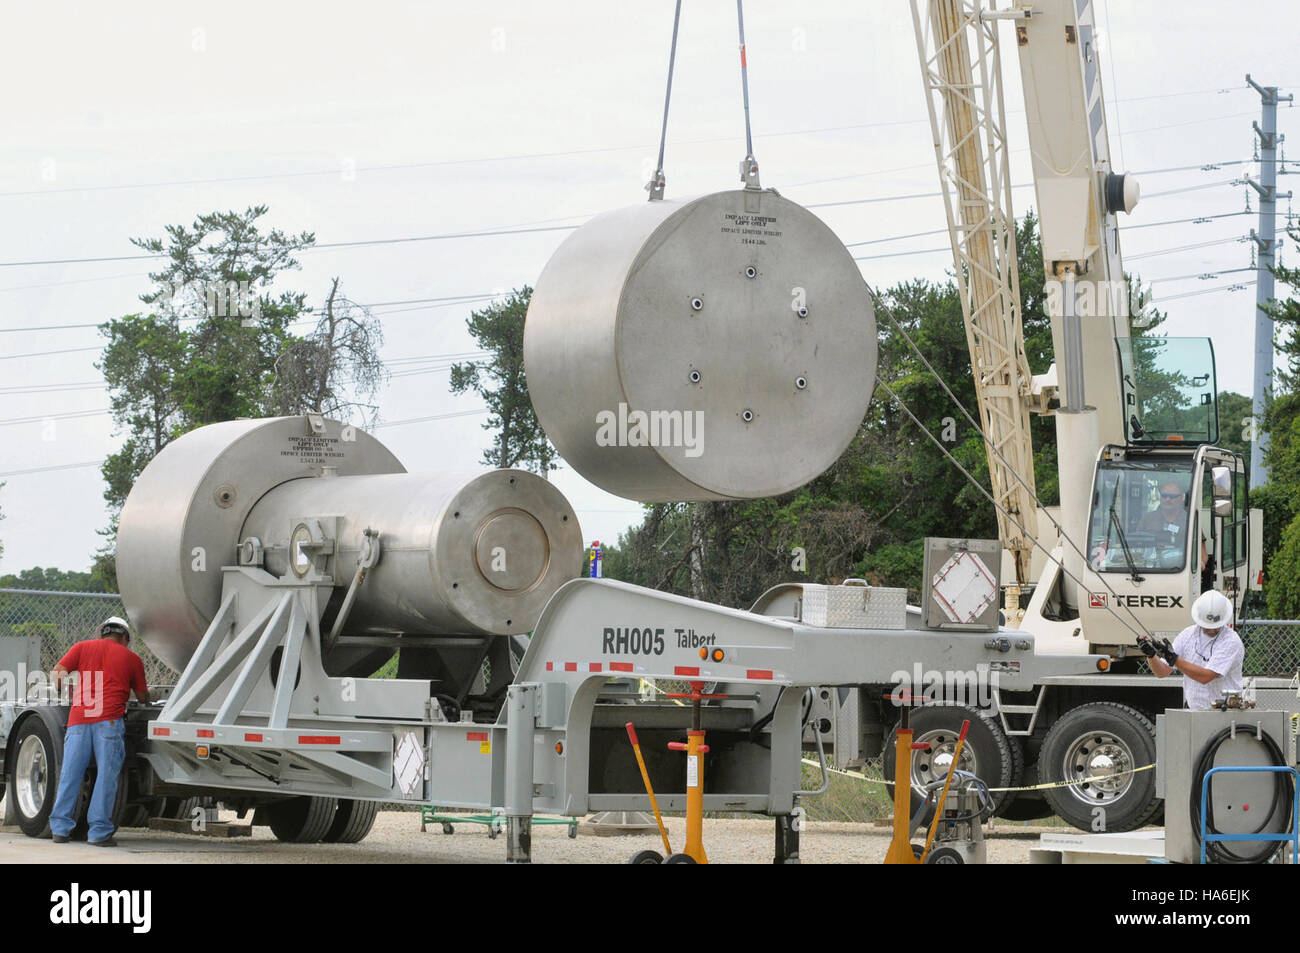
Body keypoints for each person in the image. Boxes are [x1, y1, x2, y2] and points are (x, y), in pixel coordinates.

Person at [49, 616, 150, 846]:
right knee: (106, 776)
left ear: (103, 633)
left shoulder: (82, 647)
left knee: (70, 774)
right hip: (109, 722)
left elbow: (58, 672)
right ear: (125, 637)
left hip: (78, 720)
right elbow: (143, 697)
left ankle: (60, 830)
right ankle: (98, 833)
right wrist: (147, 696)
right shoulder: (132, 658)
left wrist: (63, 691)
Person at [1140, 590, 1243, 710]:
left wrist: (1174, 659)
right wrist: (1151, 655)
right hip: (1193, 710)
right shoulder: (1187, 635)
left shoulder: (1231, 640)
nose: (1212, 630)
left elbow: (1206, 677)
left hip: (1224, 712)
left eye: (1216, 627)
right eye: (1207, 627)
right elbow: (1162, 672)